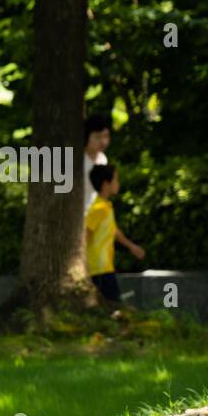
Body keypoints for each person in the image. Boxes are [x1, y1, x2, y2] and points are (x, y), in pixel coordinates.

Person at [85, 165, 145, 304]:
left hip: (104, 267)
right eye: (116, 180)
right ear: (106, 184)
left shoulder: (105, 207)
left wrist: (132, 247)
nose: (118, 183)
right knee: (115, 306)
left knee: (111, 306)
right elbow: (85, 234)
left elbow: (114, 231)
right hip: (98, 268)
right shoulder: (98, 209)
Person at [82, 114, 111, 215]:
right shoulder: (78, 161)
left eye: (106, 136)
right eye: (97, 137)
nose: (103, 142)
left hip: (95, 217)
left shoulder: (103, 159)